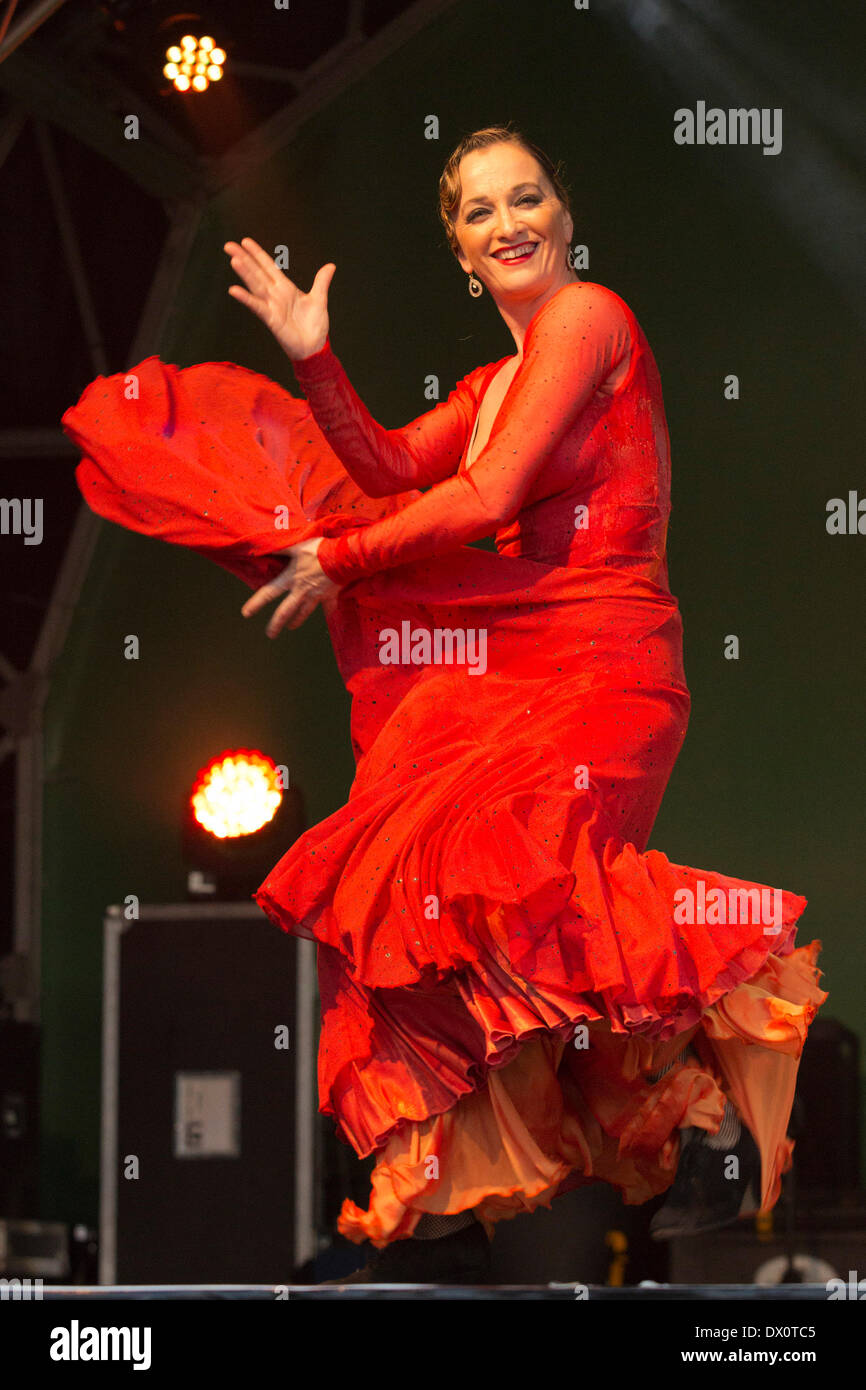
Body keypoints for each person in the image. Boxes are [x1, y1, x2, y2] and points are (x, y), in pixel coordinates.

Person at [63, 124, 827, 1287]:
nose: (508, 222)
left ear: (564, 218)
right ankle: (642, 1133)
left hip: (603, 663)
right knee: (439, 880)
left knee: (540, 882)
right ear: (461, 250)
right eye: (479, 211)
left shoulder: (589, 319)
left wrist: (343, 560)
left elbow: (490, 495)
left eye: (526, 197)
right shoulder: (488, 383)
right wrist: (315, 360)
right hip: (526, 663)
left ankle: (708, 1117)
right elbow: (384, 466)